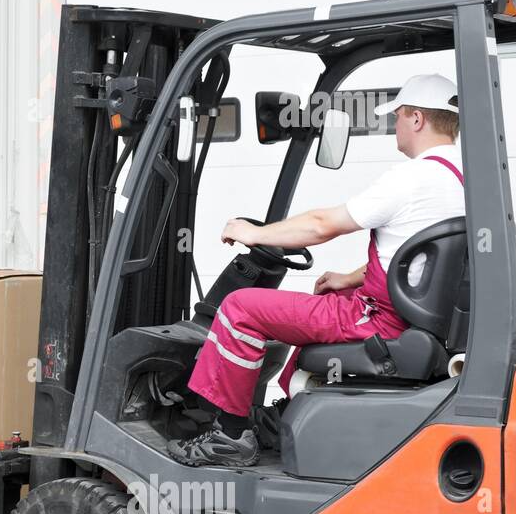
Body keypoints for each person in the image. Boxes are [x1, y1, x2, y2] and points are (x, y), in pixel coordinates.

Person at [168, 73, 466, 467]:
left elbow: (322, 225)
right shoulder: (463, 178)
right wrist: (350, 278)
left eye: (398, 116)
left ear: (416, 119)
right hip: (408, 317)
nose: (394, 125)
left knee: (240, 309)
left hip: (379, 320)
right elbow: (420, 256)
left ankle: (230, 435)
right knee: (328, 293)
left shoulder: (411, 178)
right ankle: (285, 411)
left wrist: (254, 233)